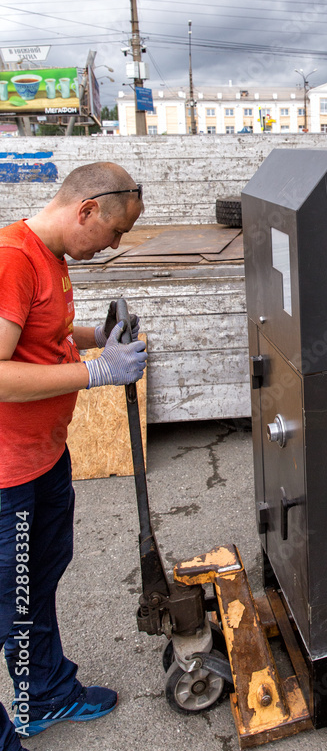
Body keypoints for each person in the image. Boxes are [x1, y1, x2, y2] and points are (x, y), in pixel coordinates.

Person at [0, 161, 148, 751]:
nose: (113, 245)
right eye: (114, 232)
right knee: (11, 597)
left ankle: (45, 694)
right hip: (7, 478)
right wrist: (97, 371)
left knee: (35, 584)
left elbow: (40, 339)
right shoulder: (12, 258)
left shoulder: (52, 257)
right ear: (86, 210)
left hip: (42, 460)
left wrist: (94, 337)